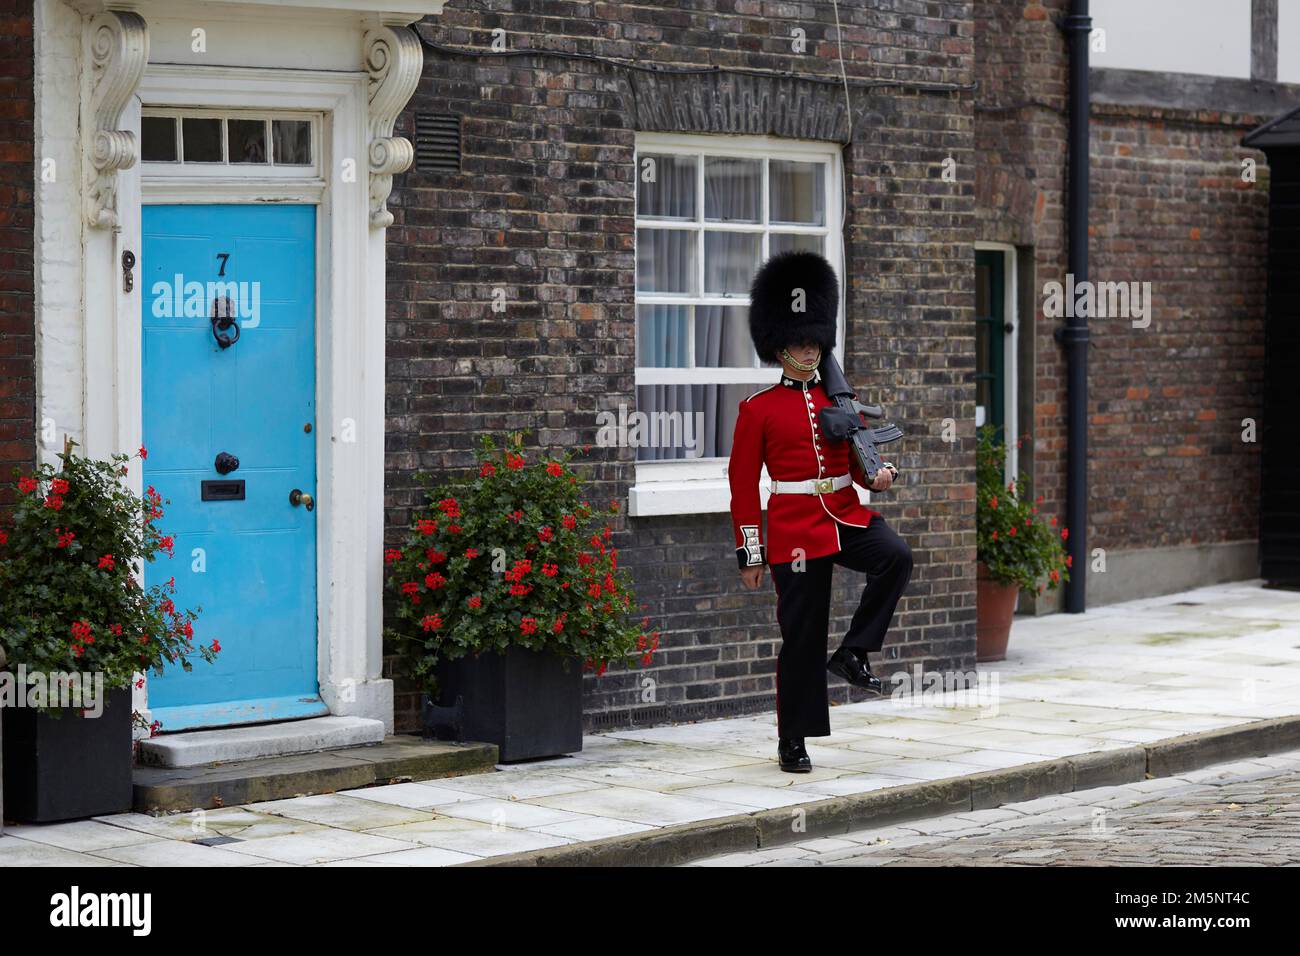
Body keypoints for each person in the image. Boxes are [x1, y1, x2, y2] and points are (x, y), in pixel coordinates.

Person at [728, 250, 913, 773]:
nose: (807, 351)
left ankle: (855, 652)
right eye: (798, 342)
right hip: (793, 531)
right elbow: (742, 485)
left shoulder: (840, 401)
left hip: (845, 515)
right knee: (802, 638)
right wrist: (751, 551)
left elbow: (853, 464)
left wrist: (876, 476)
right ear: (779, 347)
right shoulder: (757, 409)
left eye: (813, 341)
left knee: (896, 556)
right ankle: (794, 739)